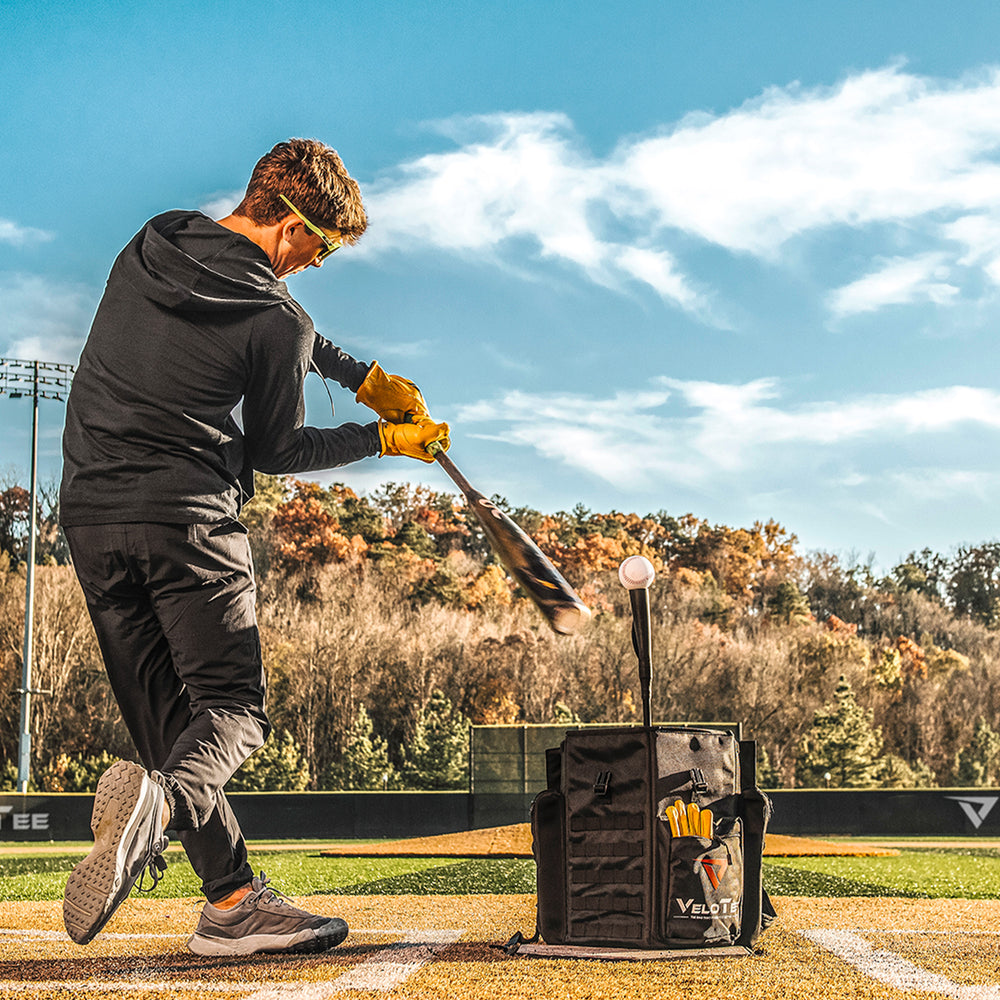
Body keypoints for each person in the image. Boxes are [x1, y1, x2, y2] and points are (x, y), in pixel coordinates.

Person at [58, 138, 449, 955]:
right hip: (190, 523)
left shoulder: (153, 239)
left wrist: (360, 372)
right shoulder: (279, 318)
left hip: (91, 517)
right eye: (326, 247)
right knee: (234, 712)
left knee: (172, 727)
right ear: (298, 229)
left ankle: (232, 902)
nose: (318, 262)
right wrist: (381, 435)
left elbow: (274, 316)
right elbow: (281, 449)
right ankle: (159, 810)